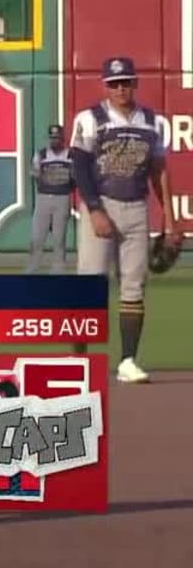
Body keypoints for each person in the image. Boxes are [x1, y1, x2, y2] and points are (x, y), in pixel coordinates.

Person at [69, 56, 181, 384]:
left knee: (134, 286)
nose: (121, 88)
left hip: (136, 208)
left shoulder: (152, 122)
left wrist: (171, 221)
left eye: (126, 82)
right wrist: (94, 209)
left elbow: (159, 171)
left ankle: (129, 360)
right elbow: (80, 166)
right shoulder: (90, 119)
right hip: (102, 204)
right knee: (90, 287)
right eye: (115, 83)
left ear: (135, 84)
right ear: (106, 85)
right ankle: (78, 363)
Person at [27, 124, 74, 274]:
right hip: (43, 198)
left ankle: (58, 271)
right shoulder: (41, 154)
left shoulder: (70, 155)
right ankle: (32, 269)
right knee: (37, 237)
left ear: (63, 138)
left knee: (59, 238)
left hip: (62, 198)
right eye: (52, 138)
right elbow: (34, 173)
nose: (55, 141)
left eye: (58, 138)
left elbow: (76, 177)